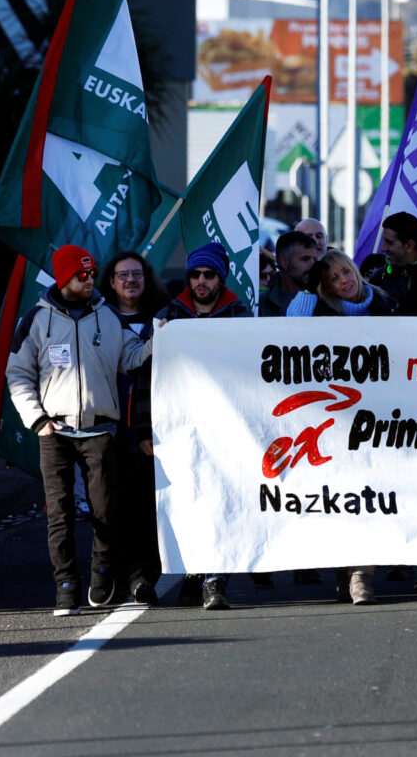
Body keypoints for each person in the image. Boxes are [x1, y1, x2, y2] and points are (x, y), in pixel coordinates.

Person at [5, 244, 154, 617]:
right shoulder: (36, 320)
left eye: (91, 274)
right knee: (60, 513)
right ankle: (66, 587)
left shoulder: (108, 316)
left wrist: (158, 341)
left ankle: (101, 575)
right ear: (63, 278)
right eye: (81, 275)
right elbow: (18, 374)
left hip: (100, 430)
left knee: (106, 511)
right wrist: (38, 420)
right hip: (53, 432)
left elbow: (131, 358)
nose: (89, 280)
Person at [288, 248, 394, 605]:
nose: (344, 281)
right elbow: (291, 336)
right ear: (325, 287)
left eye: (346, 272)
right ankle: (342, 570)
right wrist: (308, 293)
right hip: (332, 421)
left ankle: (362, 576)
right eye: (333, 278)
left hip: (379, 422)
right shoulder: (315, 309)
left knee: (369, 497)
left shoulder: (387, 304)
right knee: (341, 499)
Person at [155, 242, 254, 609]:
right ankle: (193, 571)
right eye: (195, 274)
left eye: (208, 274)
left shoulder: (241, 318)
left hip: (226, 424)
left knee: (221, 500)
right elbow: (151, 376)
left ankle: (215, 580)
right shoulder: (169, 317)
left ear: (220, 278)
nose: (200, 281)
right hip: (180, 426)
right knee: (189, 500)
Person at [98, 250, 169, 604]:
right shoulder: (98, 320)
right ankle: (110, 572)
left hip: (152, 430)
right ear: (111, 282)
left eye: (137, 274)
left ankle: (143, 577)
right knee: (110, 506)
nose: (130, 280)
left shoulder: (167, 317)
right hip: (107, 430)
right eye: (123, 274)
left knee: (146, 507)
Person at [368, 211, 417, 310]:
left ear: (409, 246)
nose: (383, 249)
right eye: (383, 241)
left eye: (389, 242)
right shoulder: (378, 279)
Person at [259, 230, 316, 317]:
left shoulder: (325, 301)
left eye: (315, 259)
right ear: (284, 262)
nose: (313, 265)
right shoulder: (260, 304)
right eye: (305, 259)